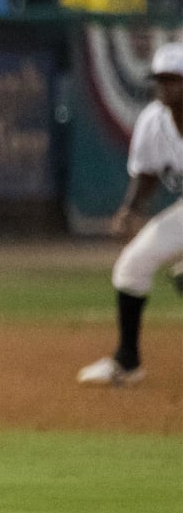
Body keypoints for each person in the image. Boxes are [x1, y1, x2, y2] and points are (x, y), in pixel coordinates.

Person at [78, 42, 183, 387]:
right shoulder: (153, 121)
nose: (166, 87)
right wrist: (130, 210)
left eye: (174, 79)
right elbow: (149, 173)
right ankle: (127, 362)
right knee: (131, 266)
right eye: (161, 79)